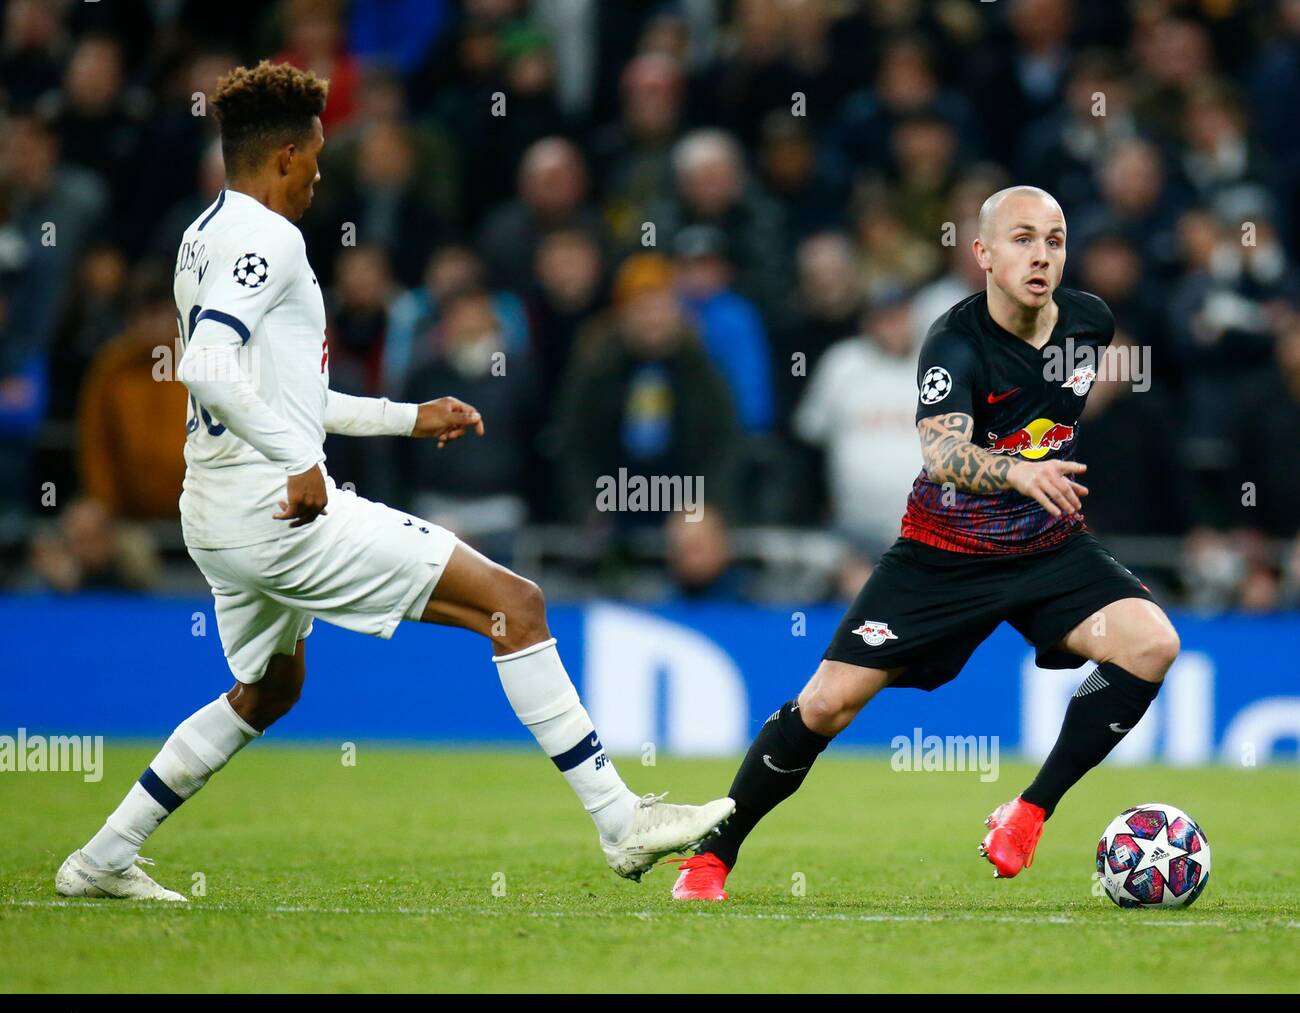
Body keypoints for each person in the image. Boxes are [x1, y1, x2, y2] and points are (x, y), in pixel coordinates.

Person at [56, 61, 731, 904]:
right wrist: (300, 463)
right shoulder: (270, 239)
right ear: (283, 158)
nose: (318, 175)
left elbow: (280, 391)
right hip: (278, 511)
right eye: (315, 157)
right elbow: (207, 364)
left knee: (270, 688)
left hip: (217, 510)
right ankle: (619, 820)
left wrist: (408, 417)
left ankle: (102, 855)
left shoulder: (204, 234)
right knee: (513, 604)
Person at [671, 186, 1180, 901]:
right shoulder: (952, 339)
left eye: (1055, 240)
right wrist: (1017, 471)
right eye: (1023, 238)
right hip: (943, 552)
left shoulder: (1090, 322)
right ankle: (711, 856)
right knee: (826, 705)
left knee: (1151, 643)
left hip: (1047, 546)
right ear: (984, 253)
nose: (1041, 254)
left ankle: (1029, 810)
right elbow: (943, 454)